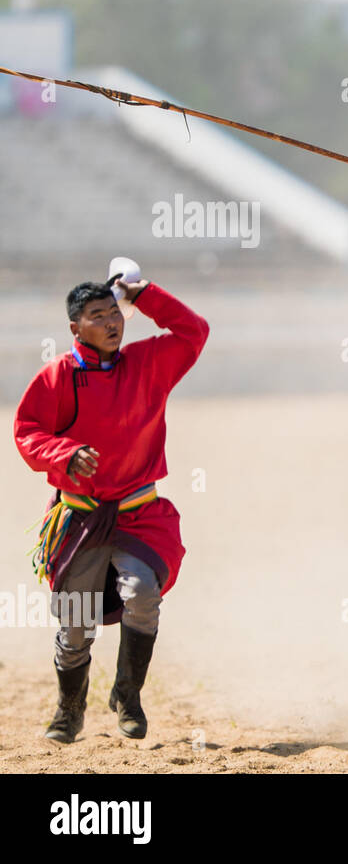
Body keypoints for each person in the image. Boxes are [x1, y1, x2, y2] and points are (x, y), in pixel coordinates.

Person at [14, 274, 209, 742]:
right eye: (96, 316)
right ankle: (69, 710)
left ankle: (128, 693)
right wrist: (65, 454)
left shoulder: (149, 363)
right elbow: (27, 431)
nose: (110, 322)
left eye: (115, 312)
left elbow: (194, 332)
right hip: (79, 517)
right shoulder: (57, 375)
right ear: (75, 328)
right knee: (76, 624)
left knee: (143, 593)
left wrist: (147, 294)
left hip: (140, 513)